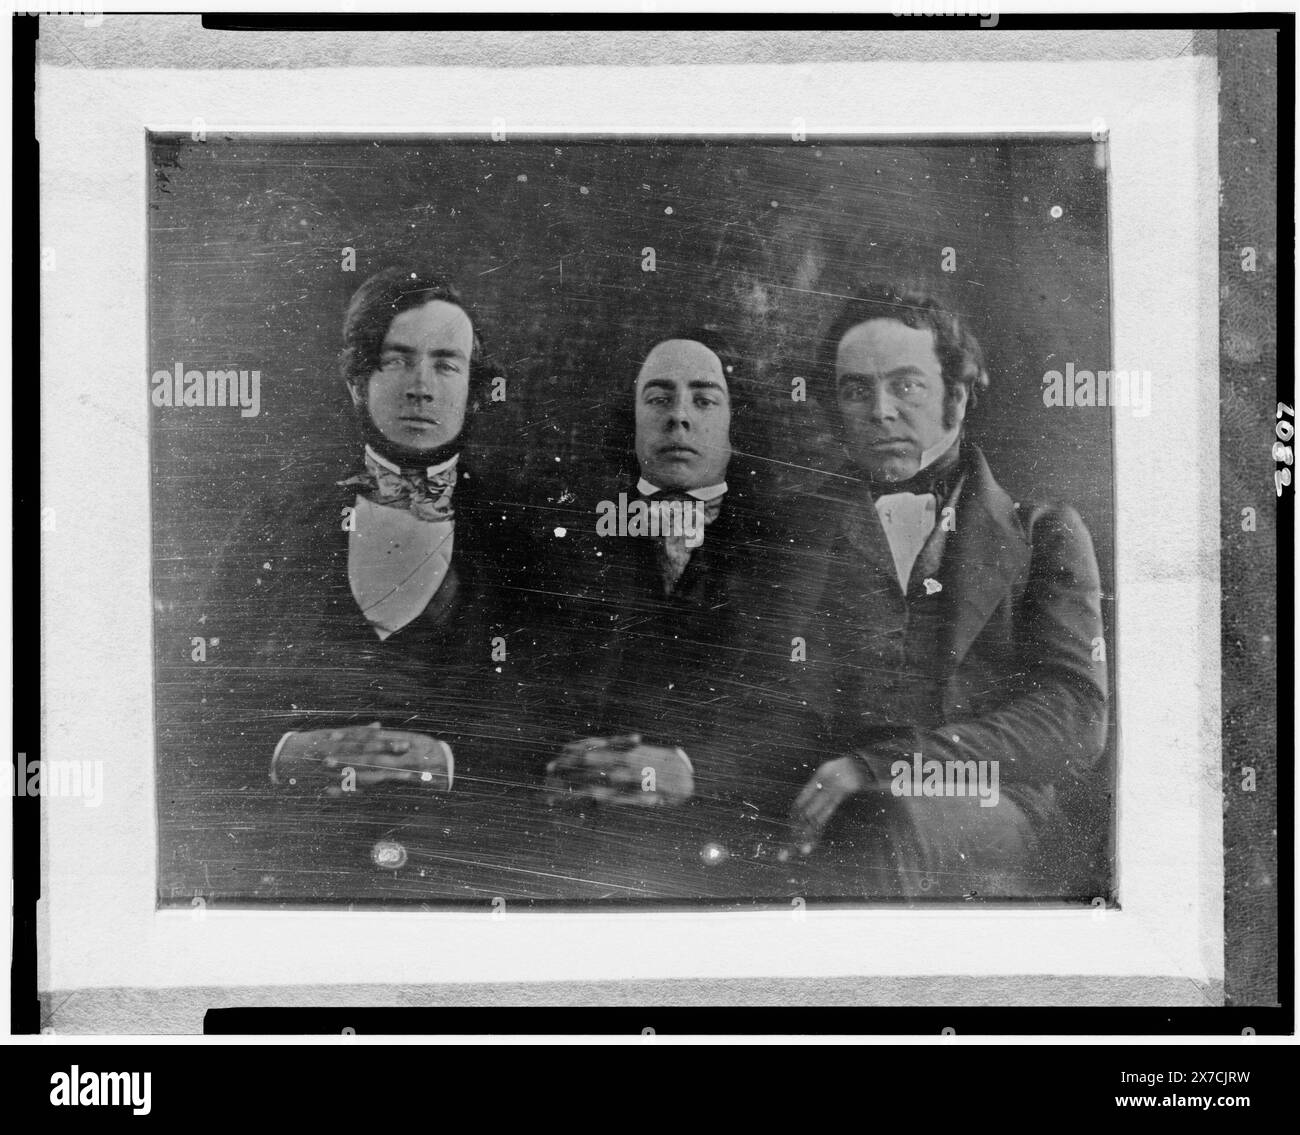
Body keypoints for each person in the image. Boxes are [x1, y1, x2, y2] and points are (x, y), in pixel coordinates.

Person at [765, 284, 1110, 897]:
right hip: (822, 785)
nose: (880, 411)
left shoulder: (1045, 531)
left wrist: (880, 767)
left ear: (956, 395)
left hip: (987, 795)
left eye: (906, 385)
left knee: (883, 820)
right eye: (855, 390)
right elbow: (763, 691)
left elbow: (1073, 717)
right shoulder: (799, 529)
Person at [209, 265, 553, 799]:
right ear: (356, 381)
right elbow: (200, 702)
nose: (421, 388)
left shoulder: (522, 532)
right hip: (295, 834)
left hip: (462, 838)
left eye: (446, 365)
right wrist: (284, 753)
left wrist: (444, 759)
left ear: (475, 390)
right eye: (397, 360)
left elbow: (559, 715)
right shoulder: (277, 522)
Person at [544, 330, 785, 856]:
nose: (679, 416)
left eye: (703, 400)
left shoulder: (786, 542)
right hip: (582, 826)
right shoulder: (565, 534)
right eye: (659, 398)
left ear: (732, 423)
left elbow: (803, 710)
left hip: (732, 828)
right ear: (630, 419)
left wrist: (695, 768)